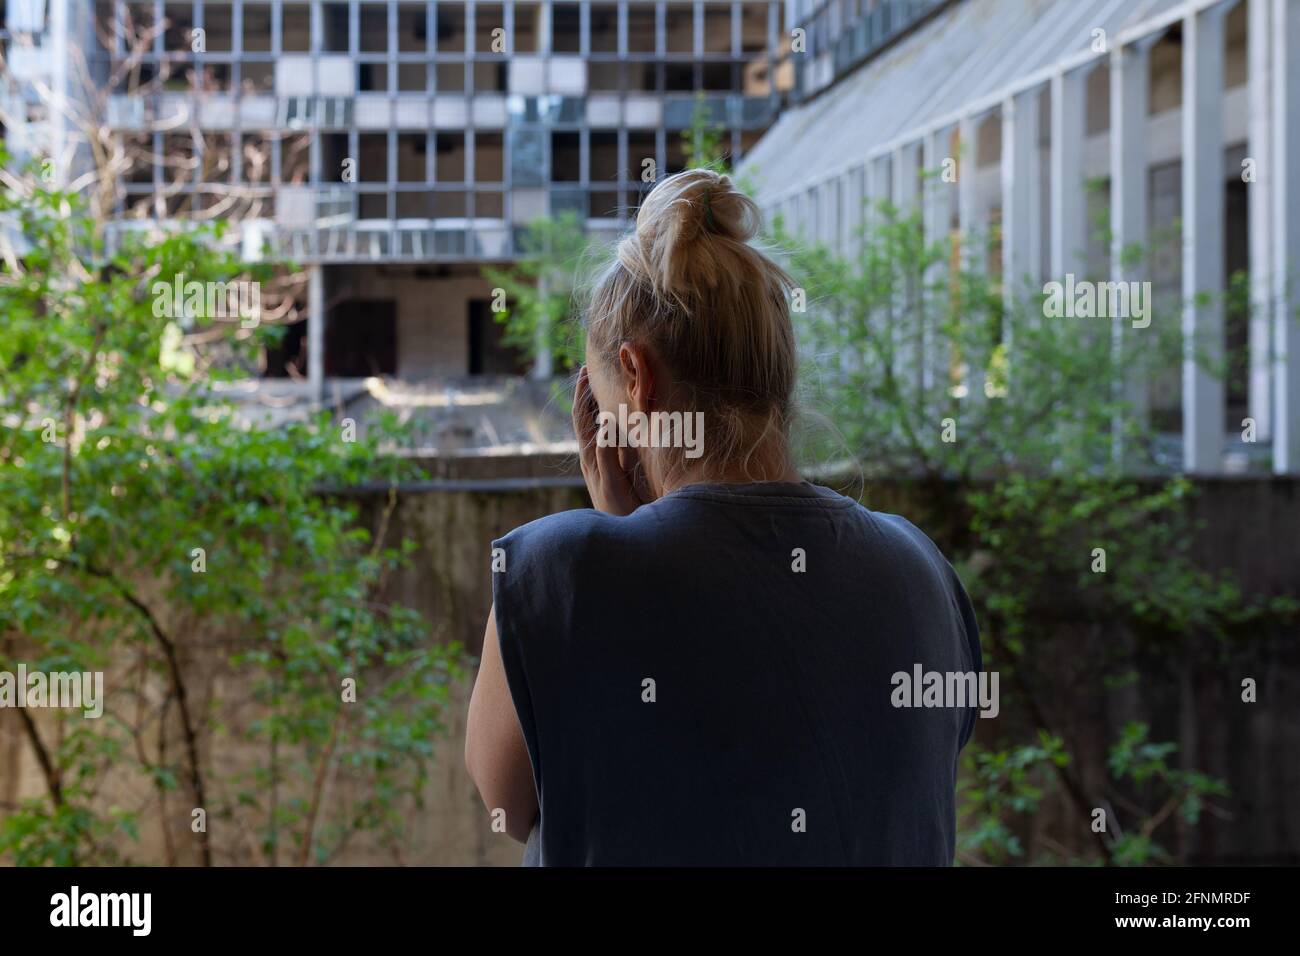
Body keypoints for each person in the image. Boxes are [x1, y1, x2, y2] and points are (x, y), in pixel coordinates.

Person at [465, 168, 981, 866]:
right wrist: (632, 542)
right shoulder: (920, 570)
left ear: (637, 376)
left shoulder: (560, 568)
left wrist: (616, 541)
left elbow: (507, 804)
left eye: (603, 406)